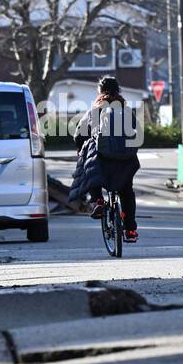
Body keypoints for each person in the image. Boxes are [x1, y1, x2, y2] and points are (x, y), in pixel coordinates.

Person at [68, 77, 141, 242]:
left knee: (90, 166)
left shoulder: (96, 109)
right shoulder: (126, 110)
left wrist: (81, 147)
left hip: (104, 158)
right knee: (127, 191)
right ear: (118, 91)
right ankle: (130, 230)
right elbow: (136, 132)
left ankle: (98, 201)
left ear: (100, 92)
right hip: (126, 159)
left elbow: (79, 134)